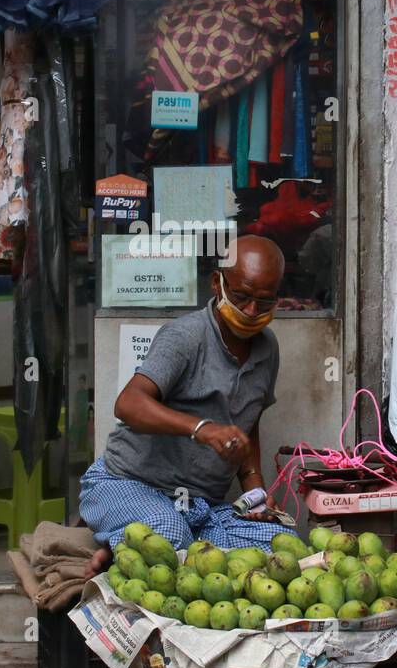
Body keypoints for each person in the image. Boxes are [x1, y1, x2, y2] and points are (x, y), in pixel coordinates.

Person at [80, 236, 296, 575]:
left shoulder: (267, 348)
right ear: (217, 283)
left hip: (200, 505)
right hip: (129, 483)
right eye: (241, 297)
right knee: (168, 536)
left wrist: (255, 492)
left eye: (264, 302)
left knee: (280, 545)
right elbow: (128, 403)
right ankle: (124, 542)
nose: (251, 311)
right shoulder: (185, 337)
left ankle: (128, 545)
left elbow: (248, 423)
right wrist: (201, 428)